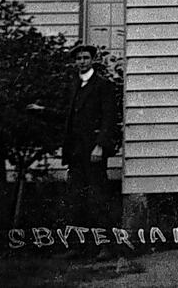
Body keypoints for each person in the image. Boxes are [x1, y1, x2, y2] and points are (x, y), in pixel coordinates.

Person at [62, 45, 120, 231]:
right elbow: (69, 116)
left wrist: (100, 146)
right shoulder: (74, 85)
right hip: (76, 150)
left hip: (93, 150)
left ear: (93, 60)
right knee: (76, 196)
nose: (82, 61)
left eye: (85, 58)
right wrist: (42, 112)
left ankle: (105, 245)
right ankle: (78, 247)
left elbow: (109, 118)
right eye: (78, 58)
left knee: (98, 195)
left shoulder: (103, 85)